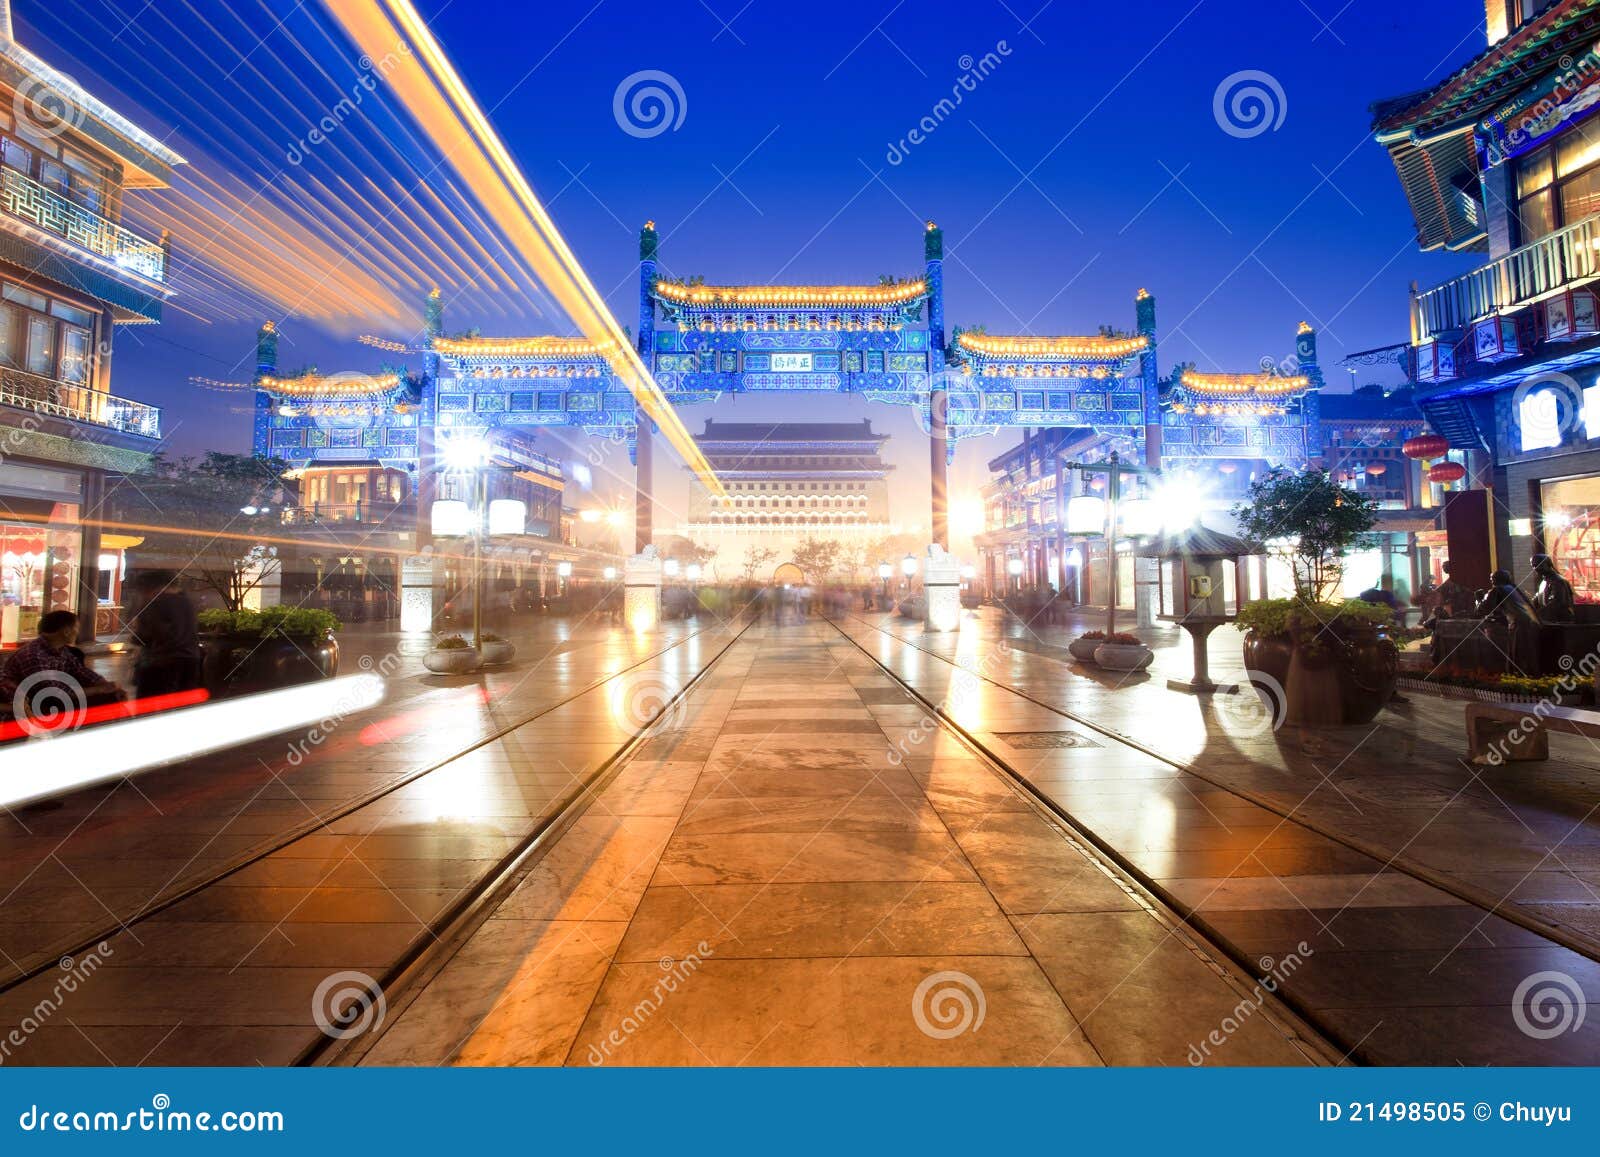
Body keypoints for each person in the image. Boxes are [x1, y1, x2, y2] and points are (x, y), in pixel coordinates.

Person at [0, 610, 125, 716]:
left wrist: (107, 686)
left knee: (113, 696)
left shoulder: (62, 650)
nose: (77, 632)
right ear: (66, 631)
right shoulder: (33, 655)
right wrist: (98, 690)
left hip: (52, 698)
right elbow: (52, 692)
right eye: (76, 628)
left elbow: (82, 672)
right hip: (33, 702)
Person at [125, 571, 202, 699]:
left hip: (160, 662)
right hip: (190, 660)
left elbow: (145, 636)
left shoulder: (154, 604)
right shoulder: (187, 602)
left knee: (151, 706)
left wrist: (135, 632)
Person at [1530, 553, 1576, 623]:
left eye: (1538, 565)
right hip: (1548, 621)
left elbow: (1555, 603)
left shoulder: (1558, 581)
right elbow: (1538, 598)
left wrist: (1537, 614)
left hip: (1559, 623)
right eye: (1533, 566)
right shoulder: (1544, 581)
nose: (1535, 568)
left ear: (1548, 564)